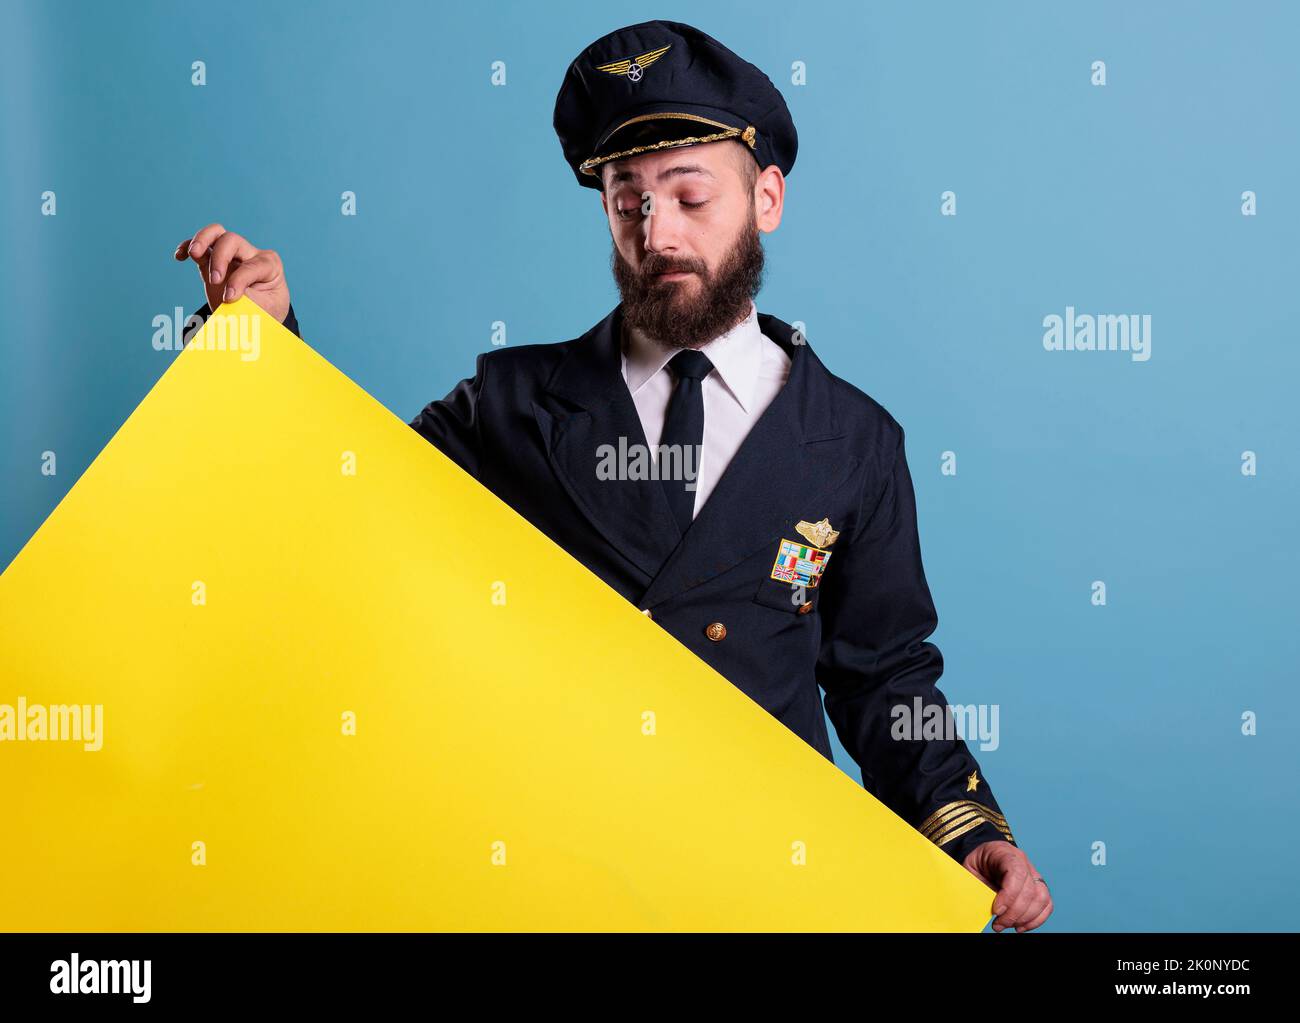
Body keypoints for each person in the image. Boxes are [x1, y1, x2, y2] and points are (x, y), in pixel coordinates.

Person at [173, 20, 1052, 933]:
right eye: (626, 198)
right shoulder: (511, 404)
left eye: (688, 196)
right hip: (550, 877)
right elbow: (353, 514)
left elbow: (884, 676)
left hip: (766, 887)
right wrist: (261, 350)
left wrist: (964, 826)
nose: (655, 230)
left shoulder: (856, 441)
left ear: (767, 198)